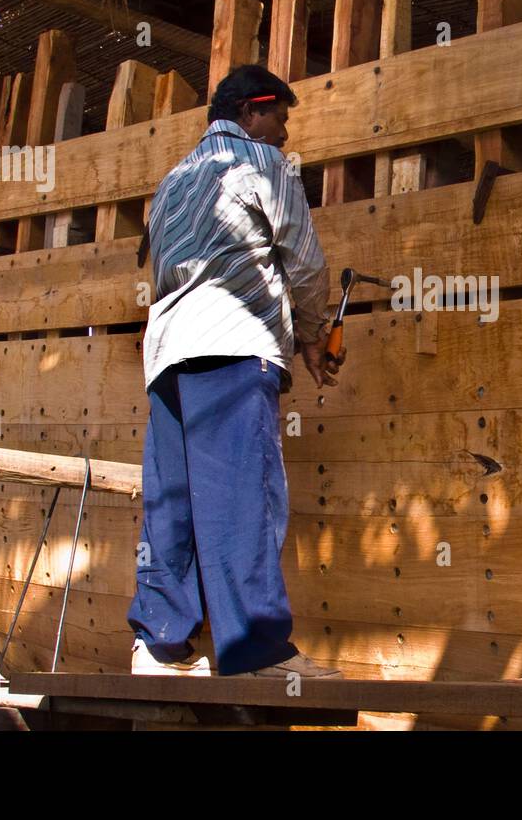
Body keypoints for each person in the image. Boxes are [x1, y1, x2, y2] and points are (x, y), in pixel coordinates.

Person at [128, 63, 344, 678]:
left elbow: (163, 271)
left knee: (173, 504)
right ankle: (255, 653)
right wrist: (311, 336)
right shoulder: (266, 166)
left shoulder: (172, 183)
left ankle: (160, 648)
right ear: (251, 110)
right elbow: (304, 263)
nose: (283, 132)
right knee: (244, 497)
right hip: (232, 344)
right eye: (280, 116)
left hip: (168, 354)